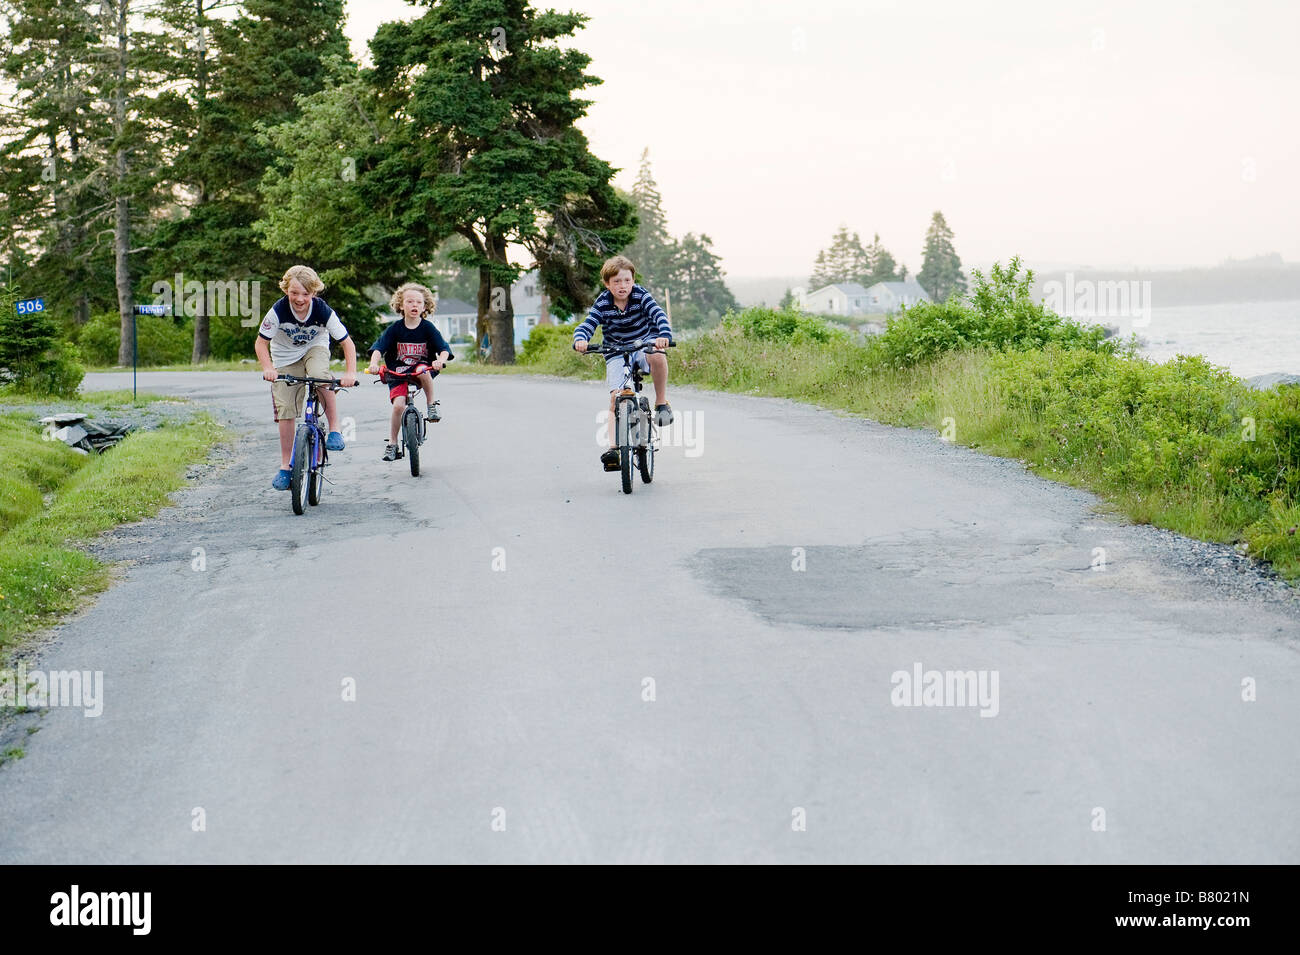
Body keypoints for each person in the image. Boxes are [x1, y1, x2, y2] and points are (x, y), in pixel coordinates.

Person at [255, 265, 357, 490]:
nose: (299, 299)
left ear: (314, 293)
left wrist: (350, 373)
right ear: (286, 290)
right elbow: (261, 342)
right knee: (286, 409)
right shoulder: (278, 311)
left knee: (321, 376)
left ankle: (335, 429)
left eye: (305, 294)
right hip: (285, 357)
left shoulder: (322, 310)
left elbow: (346, 342)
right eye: (294, 293)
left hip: (315, 349)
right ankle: (285, 466)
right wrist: (268, 368)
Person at [572, 255, 673, 470]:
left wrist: (663, 335)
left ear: (633, 281)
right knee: (614, 398)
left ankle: (662, 402)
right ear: (607, 284)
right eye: (616, 281)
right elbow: (588, 324)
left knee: (658, 354)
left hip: (642, 344)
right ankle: (614, 449)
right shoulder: (603, 302)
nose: (622, 286)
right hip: (615, 350)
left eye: (627, 280)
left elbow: (658, 315)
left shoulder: (640, 295)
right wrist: (581, 339)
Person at [367, 282, 452, 462]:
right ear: (400, 305)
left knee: (422, 370)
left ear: (425, 306)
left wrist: (440, 361)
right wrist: (374, 364)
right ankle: (392, 444)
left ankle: (431, 405)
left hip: (422, 371)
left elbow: (444, 349)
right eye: (409, 301)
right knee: (398, 406)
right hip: (397, 373)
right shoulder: (395, 329)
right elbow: (378, 349)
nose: (414, 305)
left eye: (418, 302)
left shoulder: (428, 328)